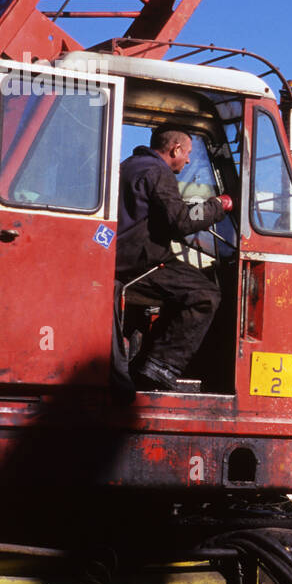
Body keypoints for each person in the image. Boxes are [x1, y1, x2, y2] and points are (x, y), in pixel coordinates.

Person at [116, 126, 232, 393]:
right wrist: (218, 205)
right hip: (140, 263)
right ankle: (158, 367)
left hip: (124, 256)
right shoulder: (158, 172)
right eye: (188, 153)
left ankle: (148, 361)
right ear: (175, 149)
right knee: (204, 294)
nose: (189, 160)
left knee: (184, 283)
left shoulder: (131, 165)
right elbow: (180, 221)